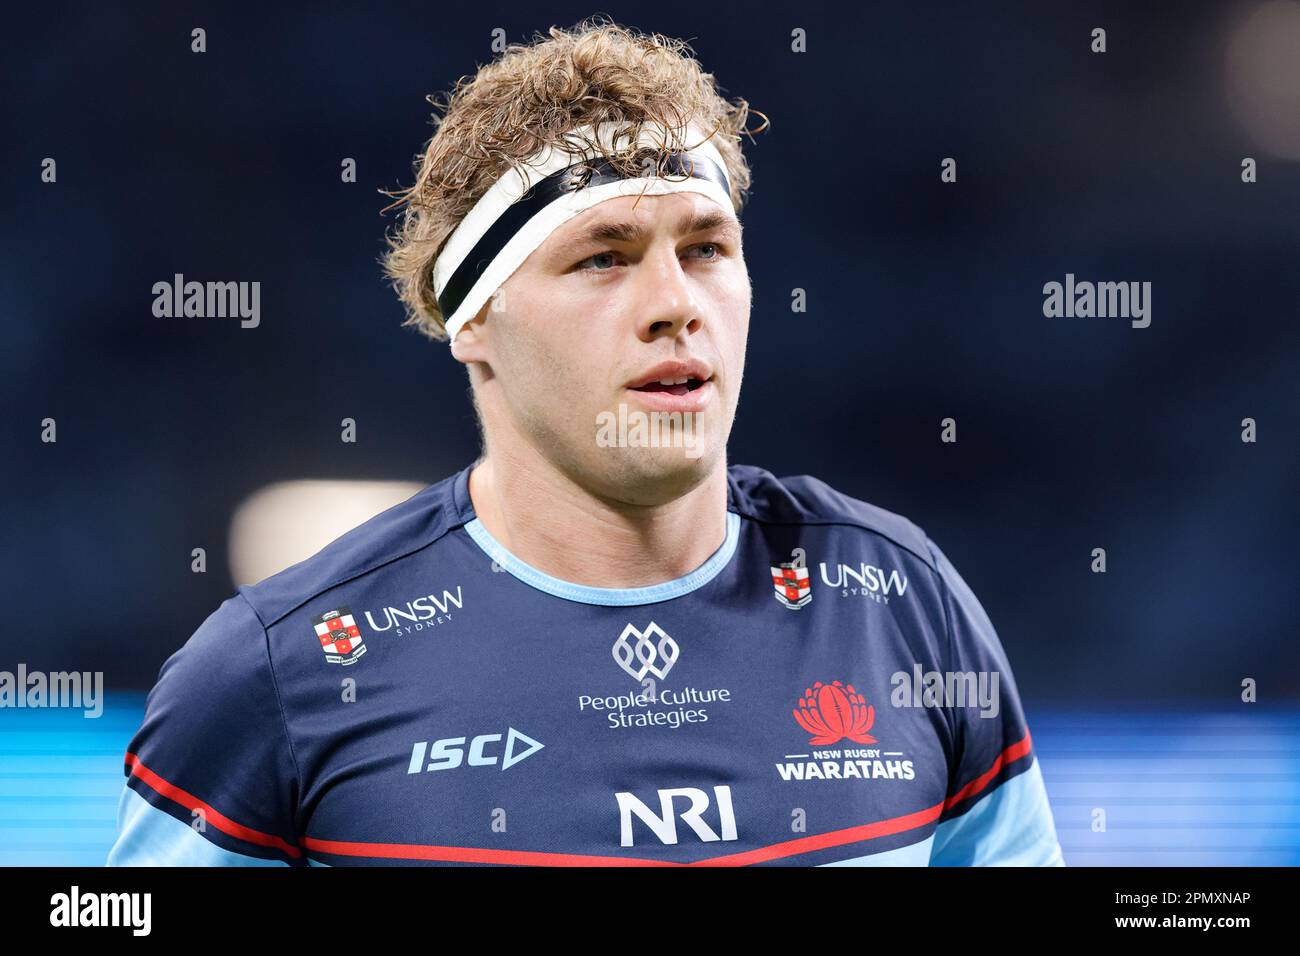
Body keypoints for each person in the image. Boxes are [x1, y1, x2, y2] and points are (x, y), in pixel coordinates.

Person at [108, 19, 1063, 867]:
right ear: (473, 320)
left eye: (706, 249)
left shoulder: (899, 600)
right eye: (602, 258)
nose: (675, 307)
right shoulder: (277, 670)